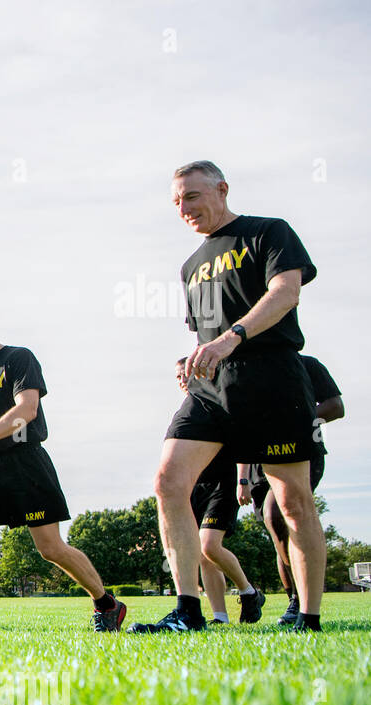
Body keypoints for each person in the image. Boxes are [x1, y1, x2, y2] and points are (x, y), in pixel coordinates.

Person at [133, 160, 325, 633]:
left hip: (271, 379)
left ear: (221, 189)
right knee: (168, 481)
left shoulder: (268, 232)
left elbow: (286, 292)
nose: (184, 208)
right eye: (177, 201)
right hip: (210, 389)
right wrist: (192, 359)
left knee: (293, 501)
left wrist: (232, 337)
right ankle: (188, 611)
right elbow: (205, 330)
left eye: (192, 196)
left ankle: (309, 616)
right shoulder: (191, 266)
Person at [0, 309, 127, 633]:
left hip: (25, 460)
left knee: (50, 548)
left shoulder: (19, 358)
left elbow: (27, 410)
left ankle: (106, 603)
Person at [241, 355, 344, 625]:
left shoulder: (306, 365)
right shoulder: (246, 368)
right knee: (277, 532)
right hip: (258, 462)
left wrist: (292, 420)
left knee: (277, 514)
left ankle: (303, 603)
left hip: (300, 453)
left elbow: (336, 406)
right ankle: (293, 600)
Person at [172, 357, 265, 624]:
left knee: (209, 544)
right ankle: (220, 616)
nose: (182, 380)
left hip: (223, 484)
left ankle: (249, 592)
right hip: (194, 487)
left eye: (185, 374)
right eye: (177, 377)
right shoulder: (187, 410)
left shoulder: (219, 402)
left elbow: (242, 442)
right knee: (202, 555)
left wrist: (243, 481)